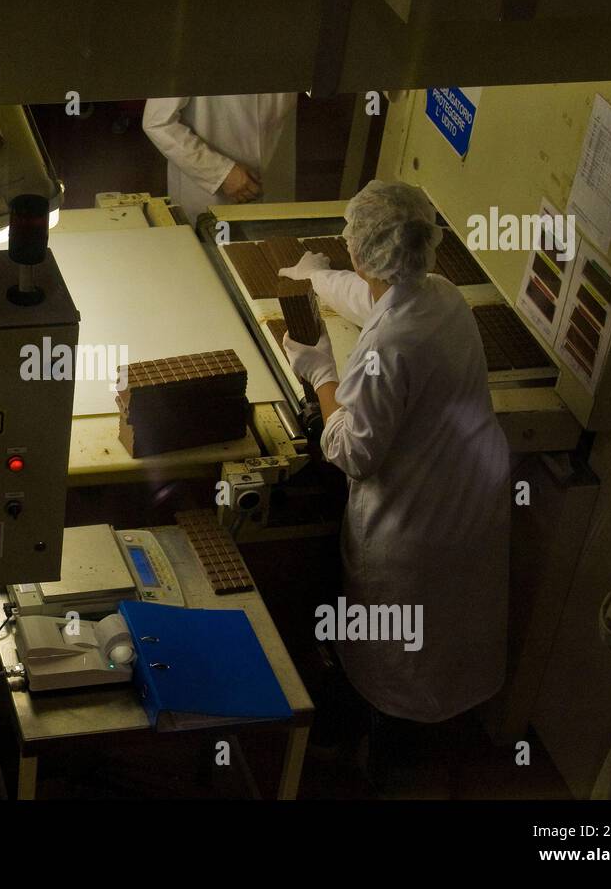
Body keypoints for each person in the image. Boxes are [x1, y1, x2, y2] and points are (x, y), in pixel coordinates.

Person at [279, 180, 510, 728]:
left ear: (362, 252)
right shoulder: (443, 296)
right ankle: (441, 751)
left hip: (412, 533)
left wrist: (321, 373)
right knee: (453, 650)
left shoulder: (388, 348)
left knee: (398, 670)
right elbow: (373, 299)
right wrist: (315, 279)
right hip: (469, 512)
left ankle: (387, 755)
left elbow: (351, 451)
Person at [142, 95, 297, 224]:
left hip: (274, 186)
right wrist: (222, 173)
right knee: (207, 256)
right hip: (209, 193)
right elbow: (158, 122)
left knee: (273, 254)